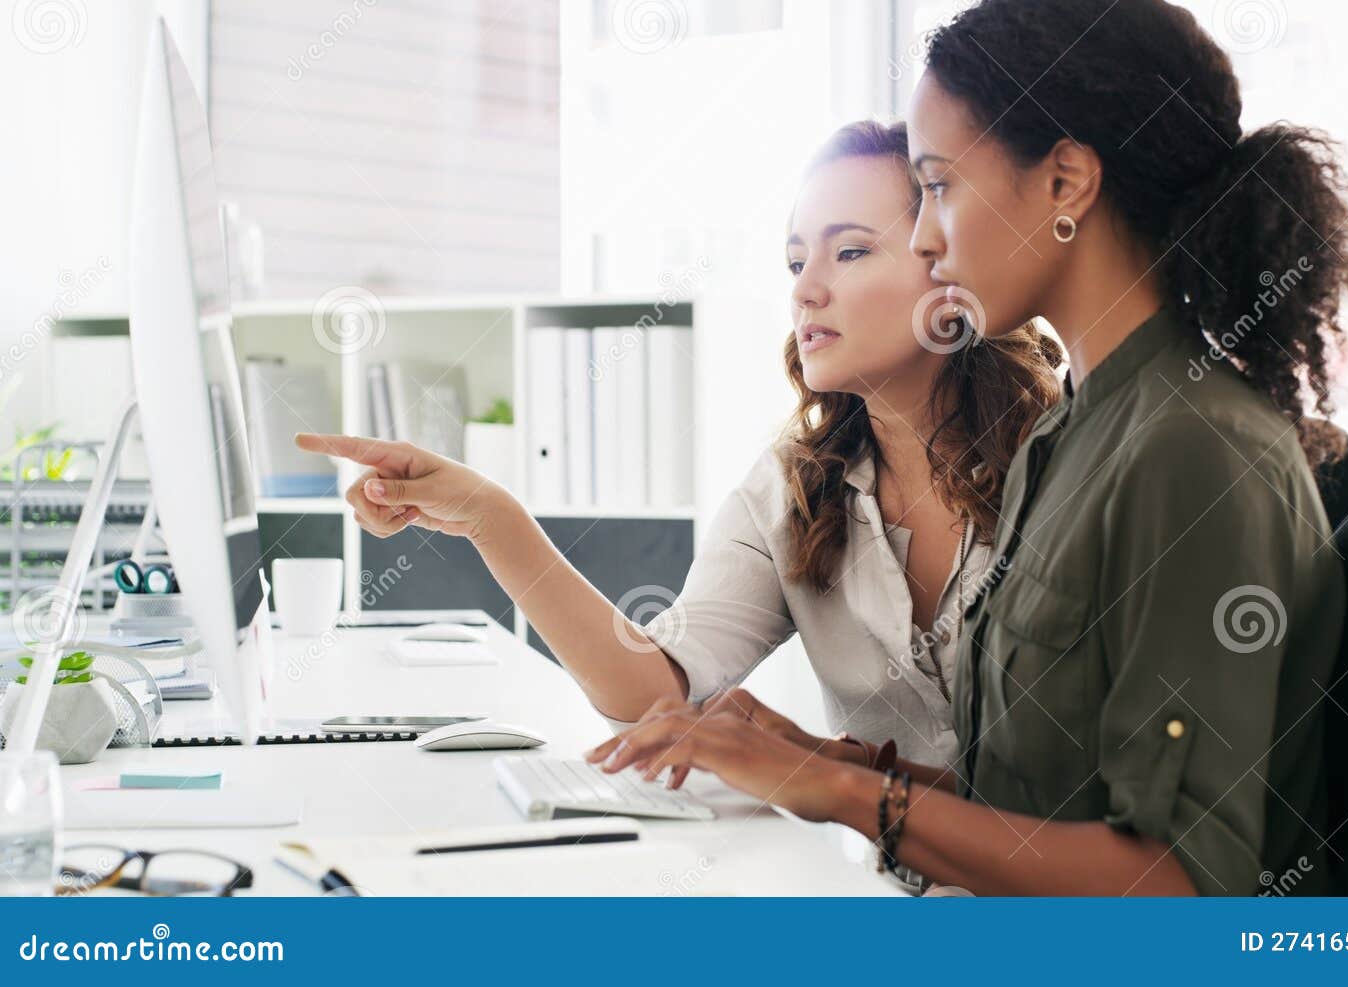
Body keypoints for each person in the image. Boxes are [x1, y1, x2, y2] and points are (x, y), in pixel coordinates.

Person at [587, 0, 1348, 896]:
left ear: (1066, 181)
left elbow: (1175, 881)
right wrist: (807, 756)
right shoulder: (1071, 436)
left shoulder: (1192, 450)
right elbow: (1042, 805)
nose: (924, 235)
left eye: (940, 185)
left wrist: (846, 792)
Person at [296, 120, 1063, 771]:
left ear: (950, 262)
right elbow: (654, 693)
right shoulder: (794, 491)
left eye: (851, 252)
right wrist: (491, 516)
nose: (804, 289)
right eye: (797, 262)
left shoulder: (1074, 462)